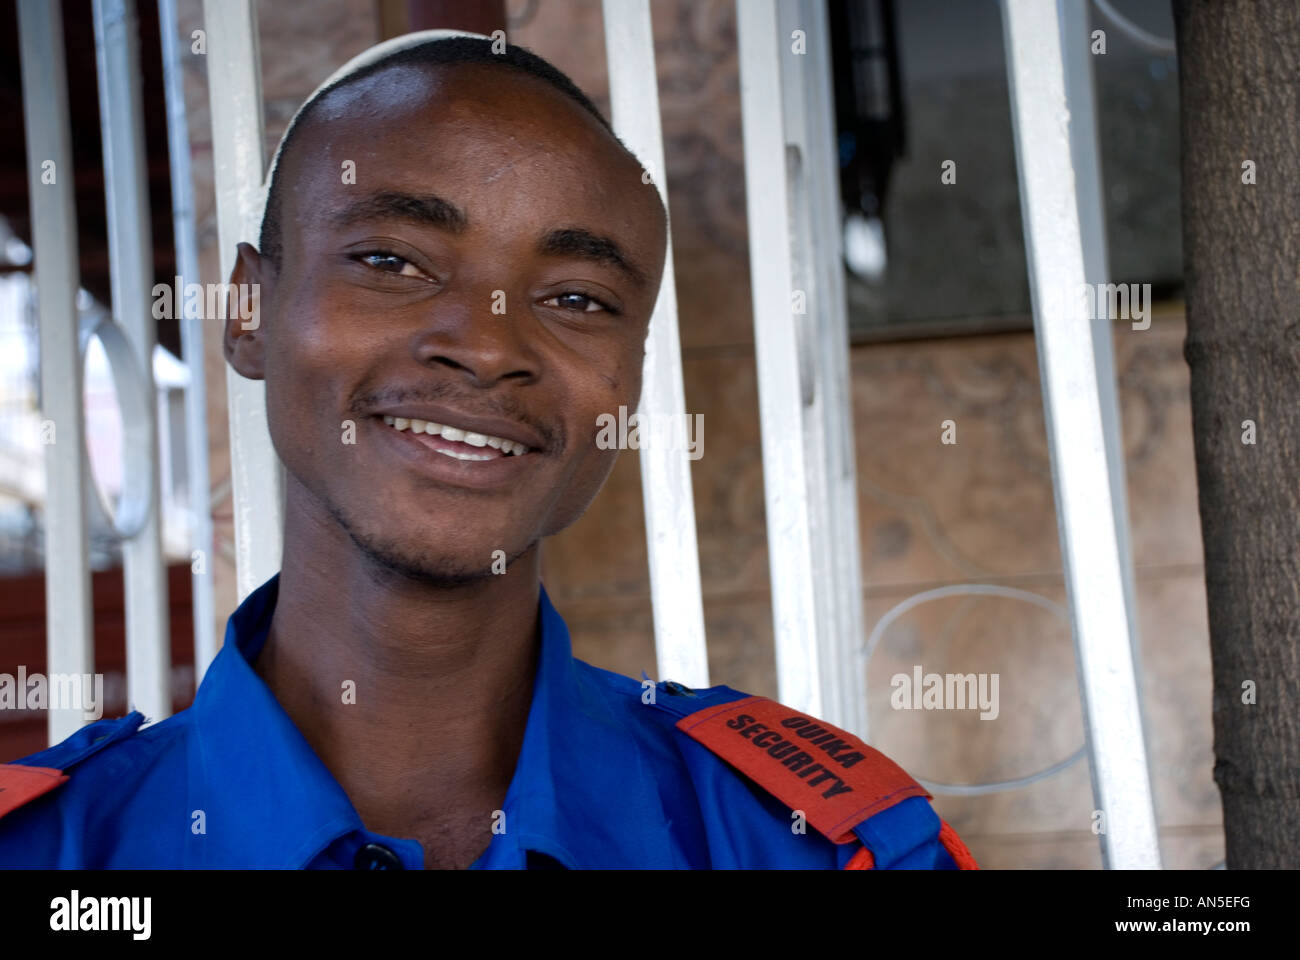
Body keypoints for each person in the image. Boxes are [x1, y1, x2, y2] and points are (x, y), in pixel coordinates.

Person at [0, 30, 976, 870]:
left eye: (578, 300)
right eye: (391, 260)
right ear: (249, 309)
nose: (488, 343)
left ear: (629, 378)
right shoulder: (52, 849)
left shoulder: (810, 844)